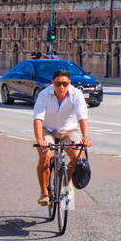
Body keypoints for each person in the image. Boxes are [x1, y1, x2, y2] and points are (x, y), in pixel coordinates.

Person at [33, 68, 92, 206]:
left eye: (65, 84)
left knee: (77, 156)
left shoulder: (76, 94)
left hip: (68, 130)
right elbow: (37, 119)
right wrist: (40, 140)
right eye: (58, 83)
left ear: (69, 83)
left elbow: (82, 117)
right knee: (45, 156)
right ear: (52, 83)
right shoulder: (44, 94)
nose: (61, 87)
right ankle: (44, 193)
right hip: (47, 130)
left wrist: (86, 137)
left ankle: (68, 183)